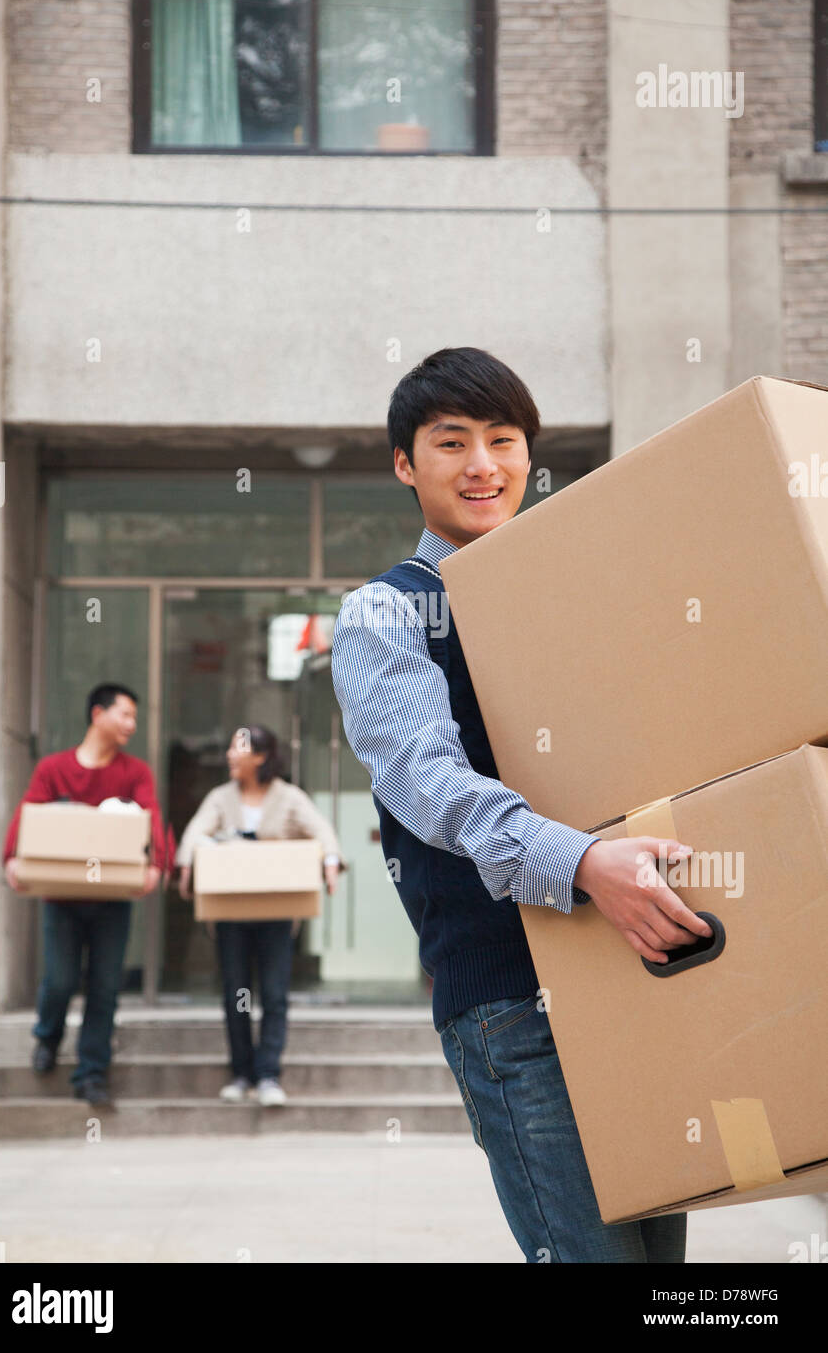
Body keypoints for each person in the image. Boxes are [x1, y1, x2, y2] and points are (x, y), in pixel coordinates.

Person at [330, 346, 712, 1263]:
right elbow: (433, 785)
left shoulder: (582, 600)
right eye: (451, 442)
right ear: (404, 463)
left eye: (503, 440)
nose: (482, 465)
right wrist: (584, 866)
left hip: (640, 973)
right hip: (513, 1006)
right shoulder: (385, 614)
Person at [3, 682, 168, 1106]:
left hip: (111, 901)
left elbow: (152, 821)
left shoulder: (134, 773)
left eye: (134, 717)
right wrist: (12, 859)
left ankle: (91, 1073)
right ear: (98, 715)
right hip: (62, 900)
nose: (131, 724)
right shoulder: (54, 769)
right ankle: (48, 1035)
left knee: (105, 987)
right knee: (59, 981)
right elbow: (28, 815)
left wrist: (156, 865)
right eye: (125, 714)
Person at [176, 724, 345, 1106]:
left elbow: (322, 832)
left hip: (277, 913)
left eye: (240, 748)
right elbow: (194, 834)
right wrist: (187, 865)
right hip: (231, 913)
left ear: (262, 756)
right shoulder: (221, 798)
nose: (230, 756)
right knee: (236, 993)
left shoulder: (289, 797)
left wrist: (331, 862)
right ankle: (240, 1073)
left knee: (273, 994)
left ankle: (268, 1074)